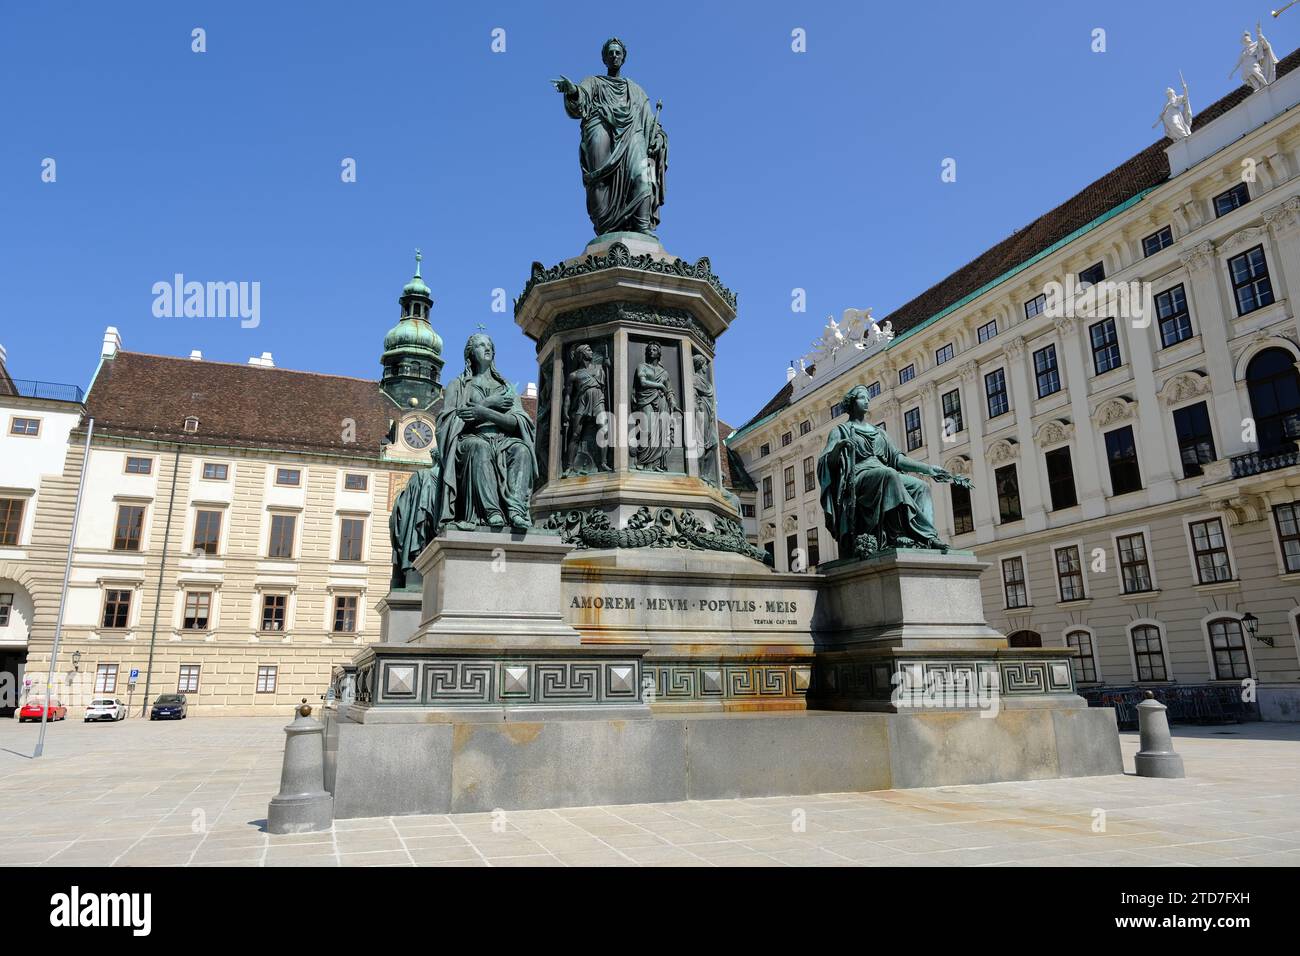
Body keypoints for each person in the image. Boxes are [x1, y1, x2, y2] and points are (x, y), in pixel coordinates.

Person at [818, 383, 971, 557]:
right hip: (860, 477)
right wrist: (839, 448)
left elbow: (898, 459)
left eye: (868, 398)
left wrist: (929, 469)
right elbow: (826, 462)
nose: (867, 401)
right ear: (851, 403)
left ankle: (927, 537)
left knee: (921, 487)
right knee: (889, 474)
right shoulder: (840, 431)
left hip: (882, 473)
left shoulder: (879, 432)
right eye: (862, 398)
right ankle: (897, 534)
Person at [550, 37, 668, 236]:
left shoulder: (637, 91)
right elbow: (581, 102)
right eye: (610, 53)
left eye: (617, 53)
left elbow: (649, 121)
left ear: (623, 58)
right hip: (600, 125)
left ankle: (642, 226)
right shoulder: (593, 82)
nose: (614, 56)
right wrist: (572, 91)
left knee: (642, 175)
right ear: (604, 58)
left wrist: (658, 136)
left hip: (633, 133)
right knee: (599, 177)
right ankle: (605, 227)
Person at [434, 333, 537, 532]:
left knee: (522, 450)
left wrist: (483, 411)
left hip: (503, 439)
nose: (487, 348)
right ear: (470, 354)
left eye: (489, 345)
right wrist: (489, 403)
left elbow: (517, 422)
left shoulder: (506, 387)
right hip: (470, 439)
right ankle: (492, 512)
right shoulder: (459, 385)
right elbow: (448, 422)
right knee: (479, 447)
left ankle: (515, 511)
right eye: (481, 346)